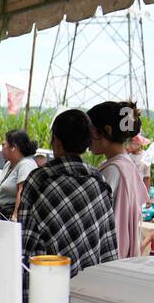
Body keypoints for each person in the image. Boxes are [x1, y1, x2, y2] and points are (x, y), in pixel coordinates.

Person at [16, 109, 118, 277]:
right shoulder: (99, 182)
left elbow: (26, 243)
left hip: (49, 286)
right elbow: (108, 244)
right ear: (87, 143)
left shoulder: (39, 180)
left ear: (56, 140)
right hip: (88, 288)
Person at [87, 100, 149, 259]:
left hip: (110, 255)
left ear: (106, 130)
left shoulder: (113, 170)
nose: (87, 139)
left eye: (91, 130)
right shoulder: (125, 165)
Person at [0, 128, 34, 220]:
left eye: (4, 145)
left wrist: (15, 215)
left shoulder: (26, 164)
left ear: (14, 147)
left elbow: (21, 192)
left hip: (9, 217)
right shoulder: (8, 163)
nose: (2, 148)